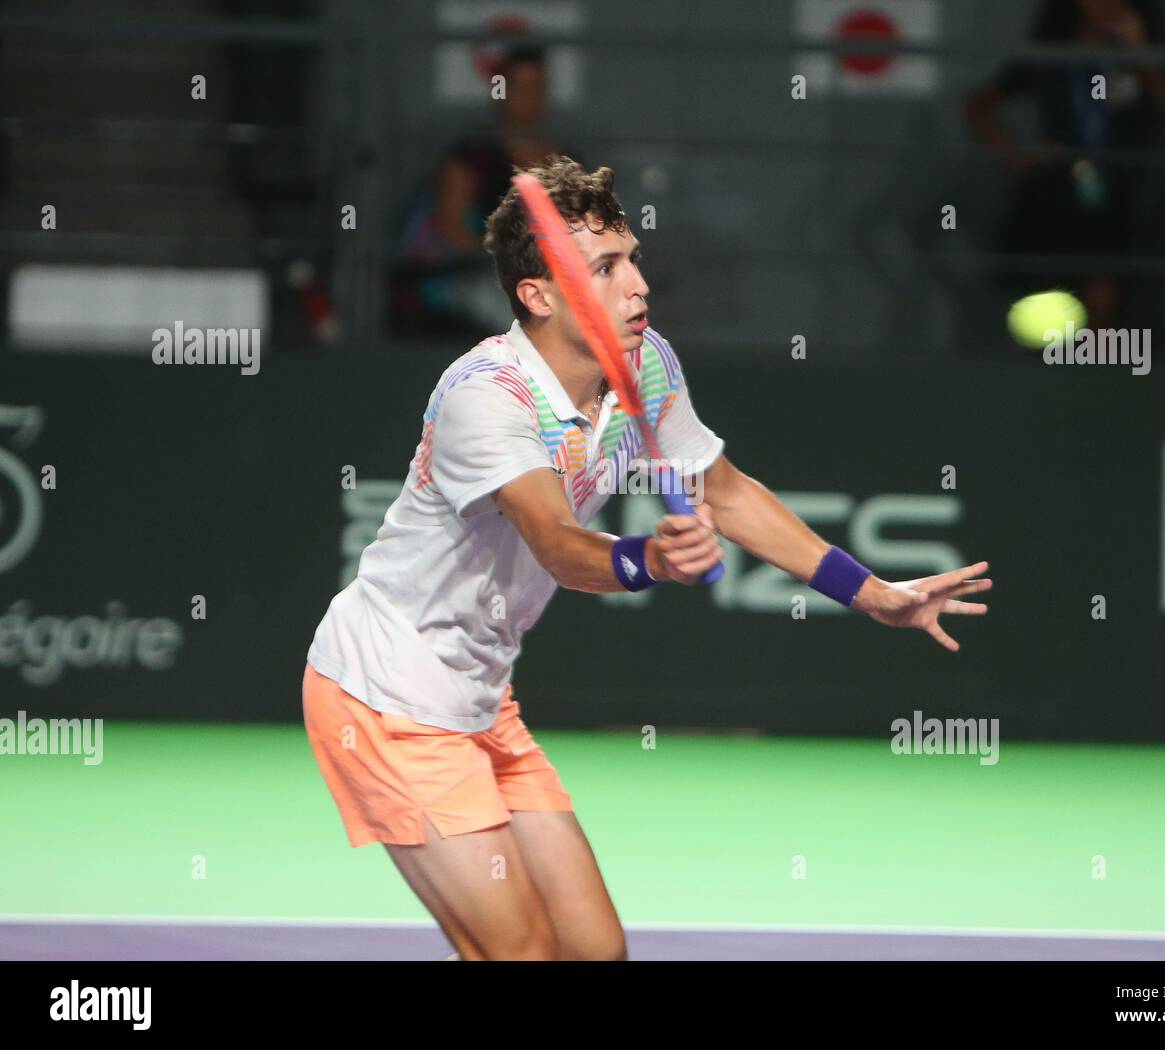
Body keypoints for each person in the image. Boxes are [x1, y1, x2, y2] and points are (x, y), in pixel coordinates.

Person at [302, 156, 993, 961]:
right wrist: (649, 561)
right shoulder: (486, 397)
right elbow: (560, 545)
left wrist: (869, 591)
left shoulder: (647, 363)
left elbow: (726, 493)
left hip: (481, 696)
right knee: (520, 955)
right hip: (387, 694)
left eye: (632, 257)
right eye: (605, 267)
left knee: (595, 952)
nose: (638, 285)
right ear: (539, 294)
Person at [966, 0, 1165, 330]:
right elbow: (980, 106)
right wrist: (1018, 159)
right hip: (1058, 186)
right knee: (1058, 288)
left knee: (1105, 288)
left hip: (1116, 184)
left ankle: (1097, 355)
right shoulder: (1051, 52)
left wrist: (1139, 49)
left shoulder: (1130, 56)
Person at [390, 45, 570, 335]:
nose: (528, 97)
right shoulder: (470, 158)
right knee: (518, 307)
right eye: (519, 87)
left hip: (550, 280)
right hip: (477, 278)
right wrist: (507, 265)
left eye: (536, 87)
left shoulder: (565, 162)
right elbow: (451, 228)